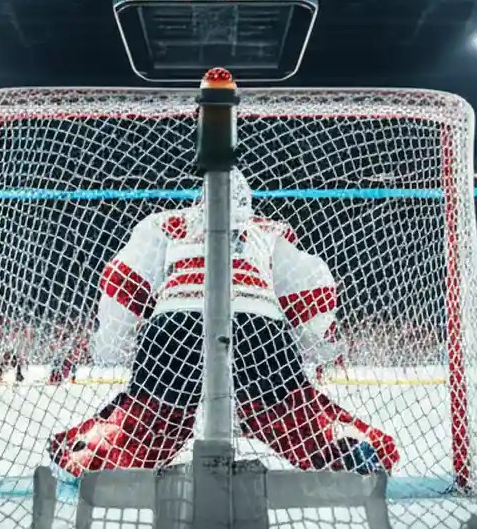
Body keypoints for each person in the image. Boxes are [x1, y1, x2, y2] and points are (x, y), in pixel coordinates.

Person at [48, 169, 399, 477]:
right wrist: (308, 343)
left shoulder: (163, 223)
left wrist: (113, 345)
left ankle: (91, 451)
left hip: (175, 321)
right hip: (258, 322)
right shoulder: (268, 231)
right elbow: (316, 286)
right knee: (294, 416)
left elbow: (121, 281)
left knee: (151, 420)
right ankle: (347, 446)